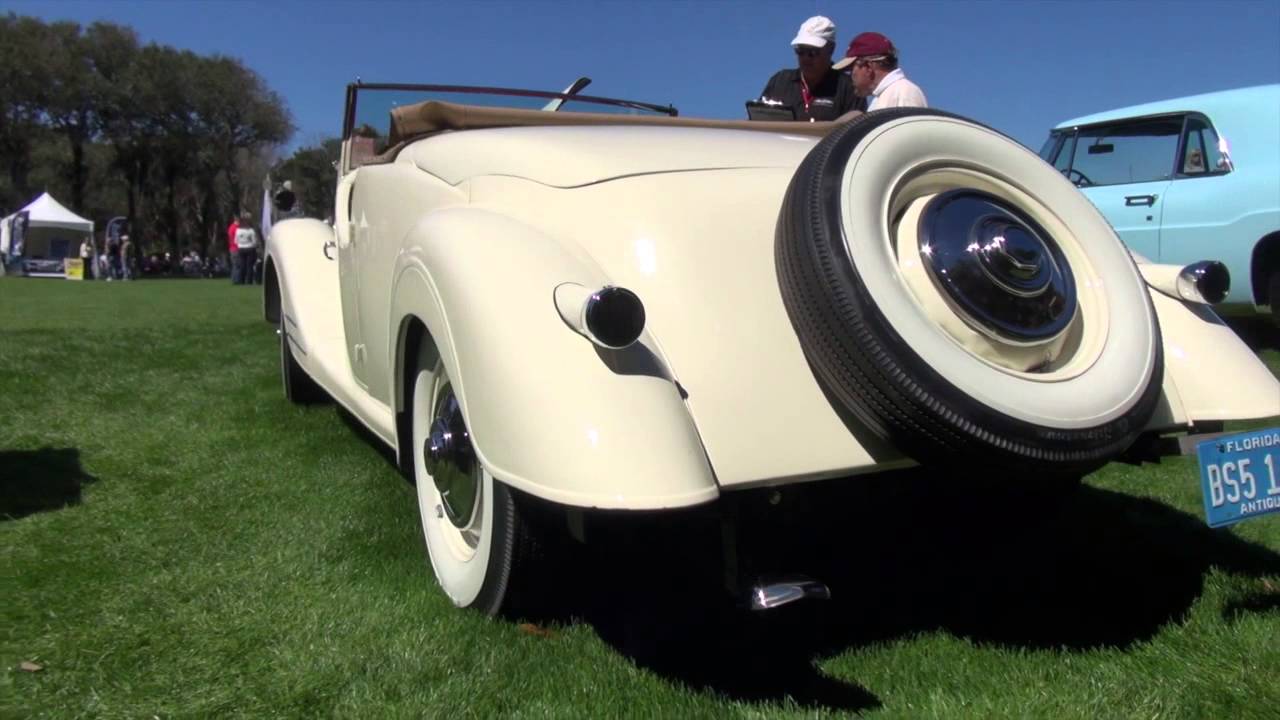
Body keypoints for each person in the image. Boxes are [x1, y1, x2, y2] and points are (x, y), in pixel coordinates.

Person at [758, 16, 863, 122]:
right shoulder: (780, 81)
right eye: (800, 51)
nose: (805, 58)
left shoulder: (849, 88)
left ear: (831, 49)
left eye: (812, 52)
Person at [833, 32, 928, 111]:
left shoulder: (903, 93)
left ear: (868, 67)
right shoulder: (890, 94)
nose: (850, 76)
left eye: (851, 69)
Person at [234, 212, 259, 286]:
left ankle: (241, 280)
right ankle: (249, 281)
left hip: (241, 248)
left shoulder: (238, 230)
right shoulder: (251, 231)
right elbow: (254, 241)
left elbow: (236, 240)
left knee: (242, 265)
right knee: (249, 266)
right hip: (250, 248)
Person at [227, 215, 240, 284]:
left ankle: (235, 279)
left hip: (234, 248)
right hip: (235, 248)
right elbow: (232, 238)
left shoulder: (232, 227)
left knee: (236, 265)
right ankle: (236, 279)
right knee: (236, 264)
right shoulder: (234, 228)